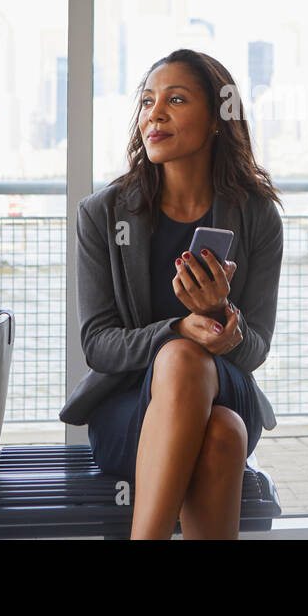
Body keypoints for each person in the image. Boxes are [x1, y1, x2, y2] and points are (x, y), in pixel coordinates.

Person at [58, 48, 283, 539]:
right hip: (128, 410)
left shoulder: (257, 216)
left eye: (175, 100)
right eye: (146, 101)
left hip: (227, 386)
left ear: (219, 118)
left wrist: (224, 324)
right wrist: (179, 329)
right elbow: (97, 343)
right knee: (217, 424)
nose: (153, 114)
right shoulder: (102, 214)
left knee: (193, 369)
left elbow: (257, 346)